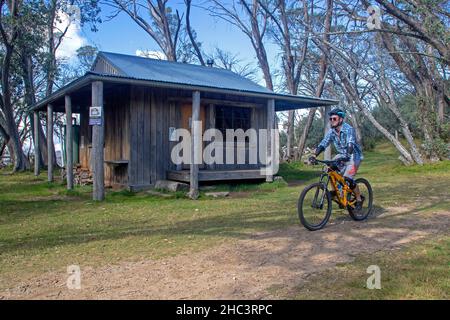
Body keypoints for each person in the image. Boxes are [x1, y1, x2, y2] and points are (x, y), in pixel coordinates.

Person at [309, 108, 364, 210]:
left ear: (341, 119)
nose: (332, 120)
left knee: (348, 178)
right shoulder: (332, 131)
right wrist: (314, 155)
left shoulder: (349, 129)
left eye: (334, 118)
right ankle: (339, 193)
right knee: (330, 169)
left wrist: (347, 155)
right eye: (330, 119)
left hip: (353, 156)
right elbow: (323, 143)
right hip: (341, 154)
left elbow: (350, 144)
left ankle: (359, 199)